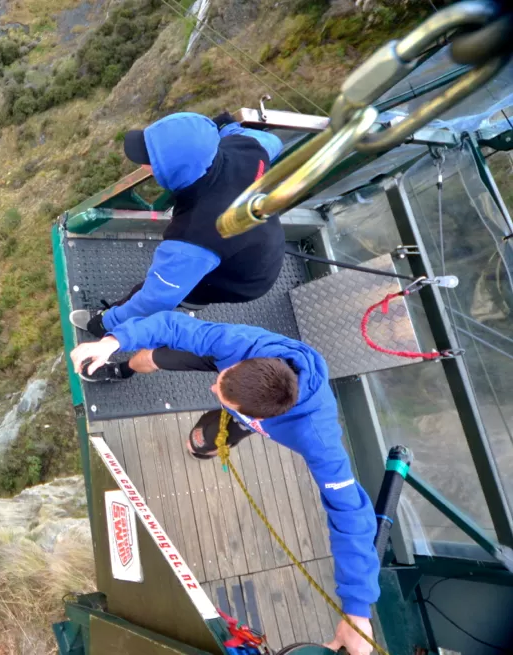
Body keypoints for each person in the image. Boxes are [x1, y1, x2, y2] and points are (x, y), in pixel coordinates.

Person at [70, 311, 379, 655]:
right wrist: (112, 343)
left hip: (253, 409)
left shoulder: (317, 438)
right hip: (240, 380)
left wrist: (357, 611)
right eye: (222, 380)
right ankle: (125, 368)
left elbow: (351, 514)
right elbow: (173, 325)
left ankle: (220, 435)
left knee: (202, 441)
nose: (211, 386)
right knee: (152, 357)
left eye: (220, 393)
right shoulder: (243, 346)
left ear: (258, 418)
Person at [69, 111, 286, 361]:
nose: (142, 165)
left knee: (166, 291)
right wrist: (219, 131)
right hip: (263, 243)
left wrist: (108, 323)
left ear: (176, 170)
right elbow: (272, 143)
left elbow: (152, 301)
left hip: (245, 279)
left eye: (150, 160)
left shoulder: (193, 234)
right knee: (182, 277)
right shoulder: (245, 148)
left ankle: (106, 322)